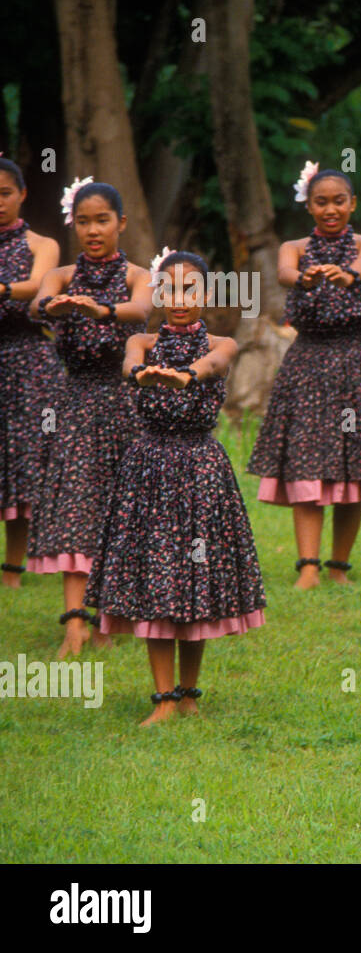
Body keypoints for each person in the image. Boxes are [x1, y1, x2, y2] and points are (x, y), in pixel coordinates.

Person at [86, 251, 265, 725]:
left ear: (207, 294)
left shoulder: (223, 343)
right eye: (167, 289)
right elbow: (128, 365)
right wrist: (142, 373)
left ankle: (189, 693)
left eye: (189, 289)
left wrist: (187, 375)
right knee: (156, 579)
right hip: (148, 470)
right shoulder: (141, 341)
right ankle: (163, 699)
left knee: (195, 584)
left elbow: (214, 364)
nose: (178, 298)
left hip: (200, 471)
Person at [248, 164, 361, 589]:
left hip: (360, 363)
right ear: (309, 206)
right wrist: (306, 276)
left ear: (352, 204)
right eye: (320, 201)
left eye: (338, 200)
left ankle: (339, 566)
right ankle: (308, 565)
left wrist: (350, 273)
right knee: (308, 464)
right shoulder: (296, 248)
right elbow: (285, 272)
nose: (330, 209)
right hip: (308, 362)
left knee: (352, 467)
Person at [28, 179, 150, 656]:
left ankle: (111, 615)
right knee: (77, 506)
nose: (92, 230)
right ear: (73, 224)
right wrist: (53, 304)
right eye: (83, 221)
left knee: (121, 510)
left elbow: (141, 307)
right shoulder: (60, 275)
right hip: (74, 404)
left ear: (120, 223)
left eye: (102, 220)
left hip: (125, 405)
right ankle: (75, 623)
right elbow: (37, 302)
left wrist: (99, 309)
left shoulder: (139, 274)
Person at [0, 157, 63, 588]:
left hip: (28, 361)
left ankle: (13, 567)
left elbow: (38, 287)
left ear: (22, 194)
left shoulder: (42, 244)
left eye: (4, 193)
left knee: (23, 460)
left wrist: (3, 288)